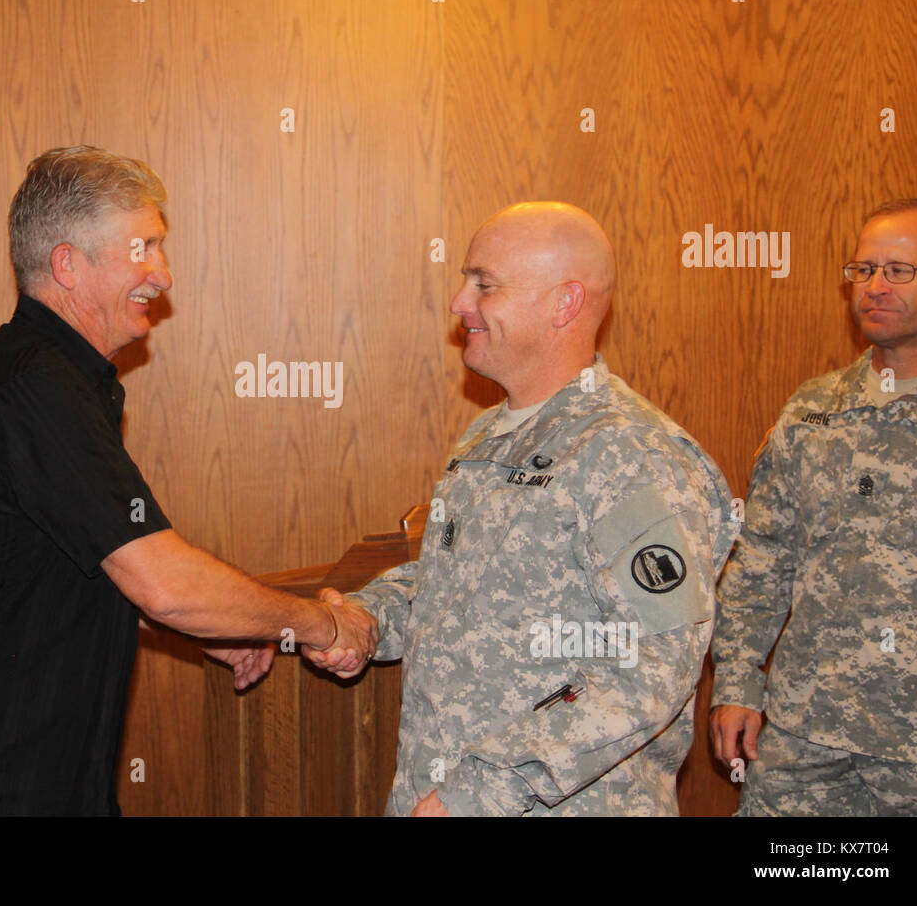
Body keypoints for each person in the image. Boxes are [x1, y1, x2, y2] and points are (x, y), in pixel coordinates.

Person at [0, 146, 375, 816]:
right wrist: (320, 624)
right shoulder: (31, 386)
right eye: (143, 248)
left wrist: (213, 625)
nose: (164, 273)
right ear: (68, 264)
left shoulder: (57, 380)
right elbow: (166, 584)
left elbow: (77, 567)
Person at [307, 202, 735, 816]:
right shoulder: (486, 438)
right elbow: (452, 584)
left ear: (564, 303)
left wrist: (477, 795)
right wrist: (365, 619)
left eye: (484, 284)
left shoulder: (631, 453)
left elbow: (650, 667)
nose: (459, 302)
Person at [710, 198, 917, 815]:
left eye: (900, 271)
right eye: (862, 270)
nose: (874, 287)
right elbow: (762, 559)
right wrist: (736, 681)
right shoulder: (814, 410)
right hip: (805, 734)